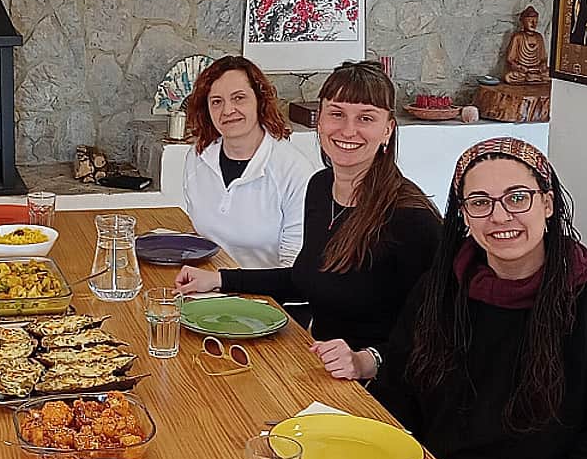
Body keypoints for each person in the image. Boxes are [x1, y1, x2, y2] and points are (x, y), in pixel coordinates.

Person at [372, 138, 587, 459]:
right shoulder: (436, 292)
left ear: (548, 204)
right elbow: (398, 392)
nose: (500, 216)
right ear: (464, 215)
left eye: (517, 198)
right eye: (480, 202)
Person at [175, 60, 441, 380]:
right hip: (318, 364)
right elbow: (304, 279)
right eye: (336, 114)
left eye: (365, 118)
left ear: (387, 130)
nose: (347, 130)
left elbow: (434, 332)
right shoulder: (320, 187)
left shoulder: (411, 219)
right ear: (320, 121)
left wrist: (365, 362)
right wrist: (219, 279)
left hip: (379, 388)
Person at [181, 55, 314, 278]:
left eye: (238, 98)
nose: (227, 110)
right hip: (208, 288)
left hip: (271, 300)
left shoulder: (294, 171)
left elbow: (294, 268)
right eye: (216, 101)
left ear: (260, 101)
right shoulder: (198, 157)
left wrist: (230, 285)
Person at [504, 7, 549, 84]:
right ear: (523, 22)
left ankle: (533, 78)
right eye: (530, 21)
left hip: (536, 71)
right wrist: (519, 66)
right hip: (522, 71)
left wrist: (542, 65)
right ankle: (530, 78)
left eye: (536, 21)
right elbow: (510, 59)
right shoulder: (518, 37)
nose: (533, 24)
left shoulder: (539, 37)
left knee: (549, 74)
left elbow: (543, 58)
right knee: (509, 77)